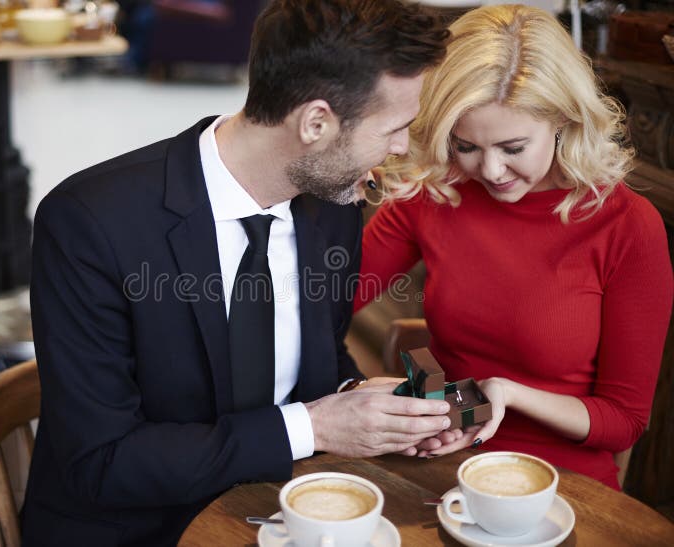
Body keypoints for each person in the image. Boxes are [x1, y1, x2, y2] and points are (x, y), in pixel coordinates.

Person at [22, 1, 450, 545]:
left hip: (285, 506)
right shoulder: (89, 223)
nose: (401, 148)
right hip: (136, 528)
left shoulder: (332, 207)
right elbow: (103, 462)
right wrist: (316, 426)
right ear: (315, 122)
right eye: (395, 128)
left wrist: (367, 408)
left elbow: (317, 359)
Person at [355, 4, 673, 490]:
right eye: (466, 146)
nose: (491, 172)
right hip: (445, 460)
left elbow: (624, 420)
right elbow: (325, 299)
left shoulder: (628, 226)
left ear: (563, 118)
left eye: (513, 148)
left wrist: (510, 394)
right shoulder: (439, 191)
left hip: (566, 483)